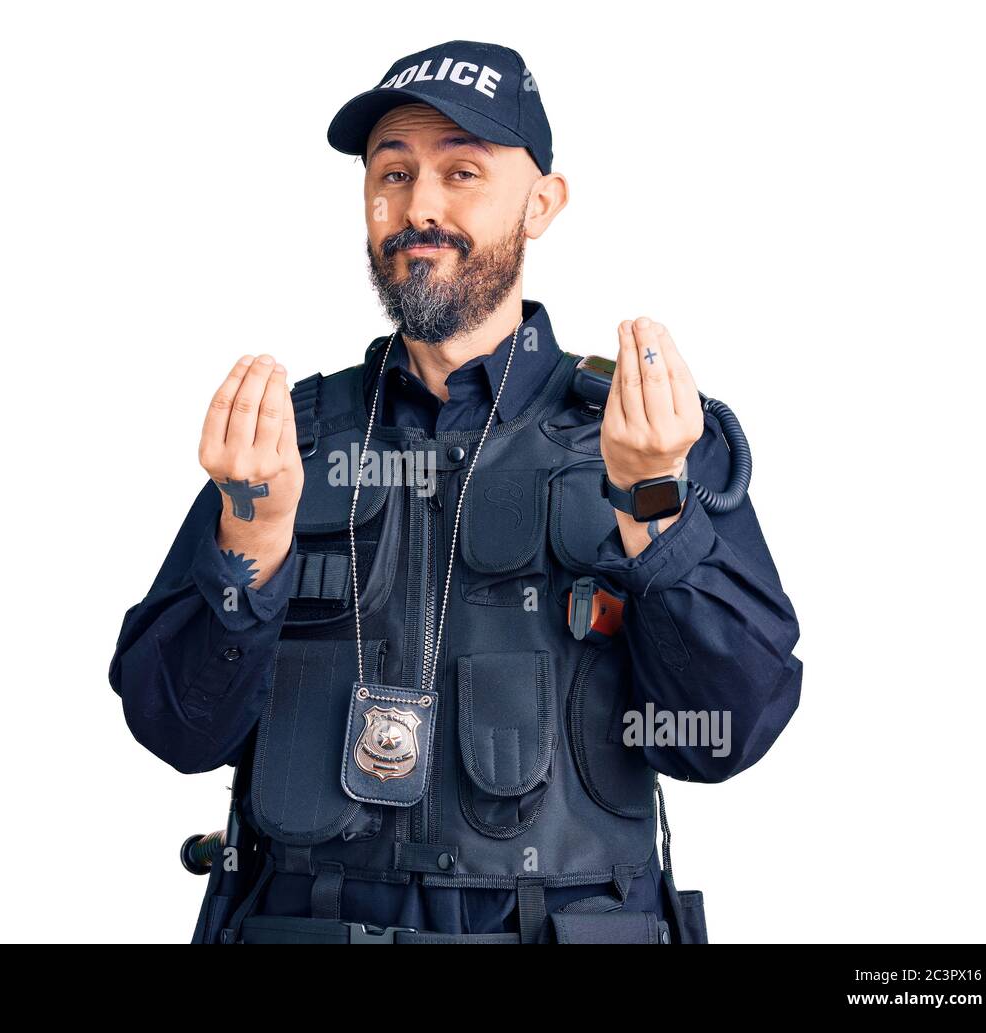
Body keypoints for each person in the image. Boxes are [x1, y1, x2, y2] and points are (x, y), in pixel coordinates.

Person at [109, 39, 802, 944]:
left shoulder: (645, 434)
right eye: (391, 174)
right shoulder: (290, 441)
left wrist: (654, 511)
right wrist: (255, 537)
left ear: (542, 203)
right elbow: (174, 729)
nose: (418, 207)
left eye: (461, 171)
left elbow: (726, 735)